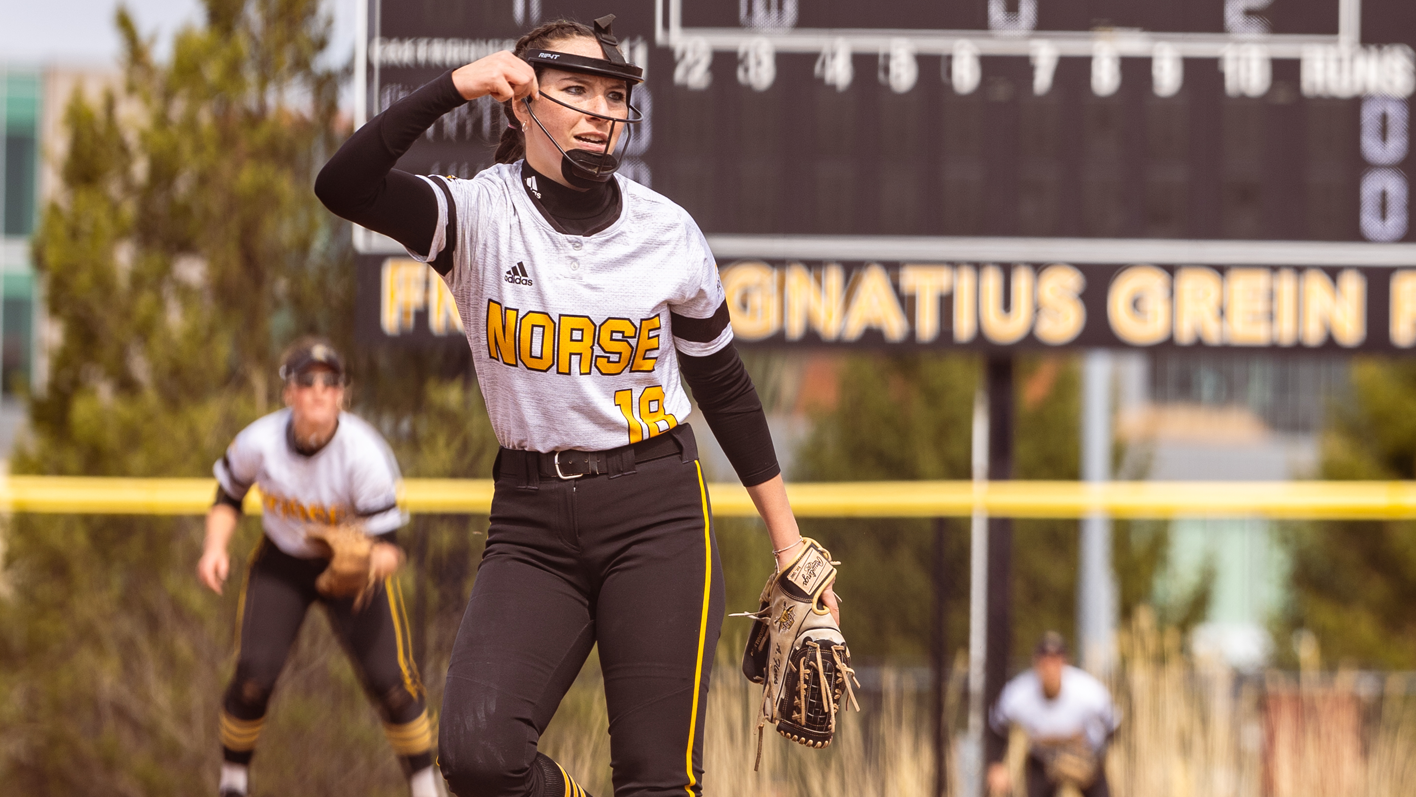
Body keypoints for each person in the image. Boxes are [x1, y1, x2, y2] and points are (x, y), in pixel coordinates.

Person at [314, 14, 834, 797]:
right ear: (520, 102)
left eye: (613, 94)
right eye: (575, 89)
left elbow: (723, 387)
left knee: (658, 781)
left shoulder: (667, 233)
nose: (601, 108)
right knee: (477, 756)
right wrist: (455, 85)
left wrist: (789, 546)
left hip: (657, 512)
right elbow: (341, 184)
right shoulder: (476, 216)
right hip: (531, 522)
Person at [196, 338, 436, 797]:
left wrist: (367, 562)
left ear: (343, 393)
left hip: (353, 576)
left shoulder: (364, 453)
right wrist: (214, 549)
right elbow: (228, 495)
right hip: (283, 563)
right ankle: (232, 784)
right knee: (252, 677)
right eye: (308, 381)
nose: (320, 390)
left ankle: (426, 788)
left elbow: (390, 548)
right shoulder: (260, 441)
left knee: (394, 686)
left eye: (331, 381)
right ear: (289, 392)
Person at [987, 632, 1119, 797]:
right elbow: (996, 727)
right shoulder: (1018, 693)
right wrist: (996, 764)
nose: (1050, 668)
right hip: (1042, 761)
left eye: (1056, 660)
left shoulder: (1088, 691)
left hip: (1083, 760)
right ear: (1036, 663)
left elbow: (1114, 725)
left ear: (1065, 663)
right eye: (1045, 661)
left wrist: (1096, 757)